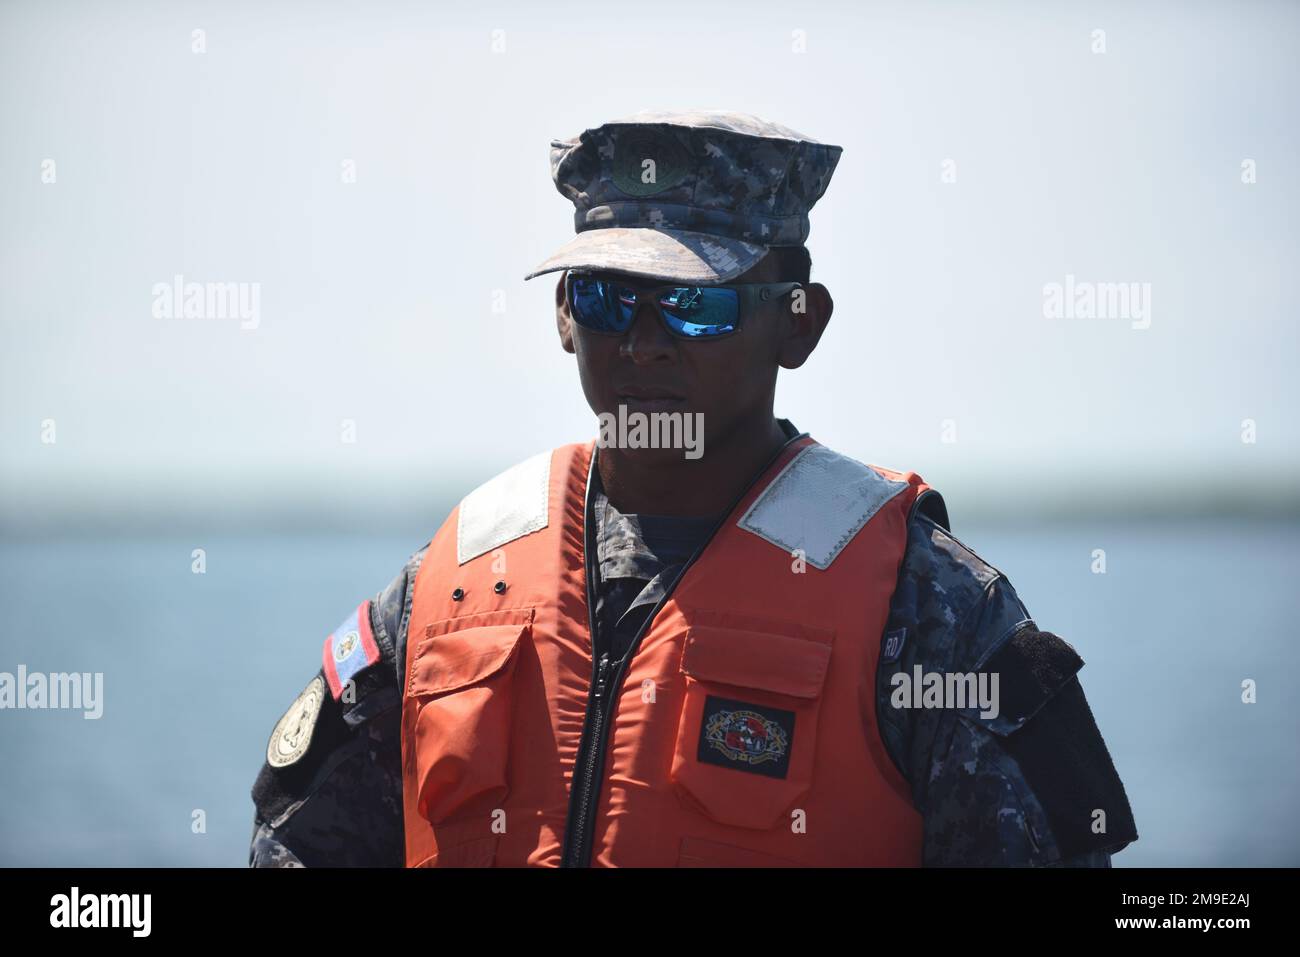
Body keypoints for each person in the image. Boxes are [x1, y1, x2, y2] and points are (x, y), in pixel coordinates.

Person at [249, 110, 1137, 867]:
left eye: (696, 303)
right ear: (563, 317)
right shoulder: (451, 581)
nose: (643, 342)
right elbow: (292, 842)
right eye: (606, 296)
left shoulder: (929, 611)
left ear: (801, 323)